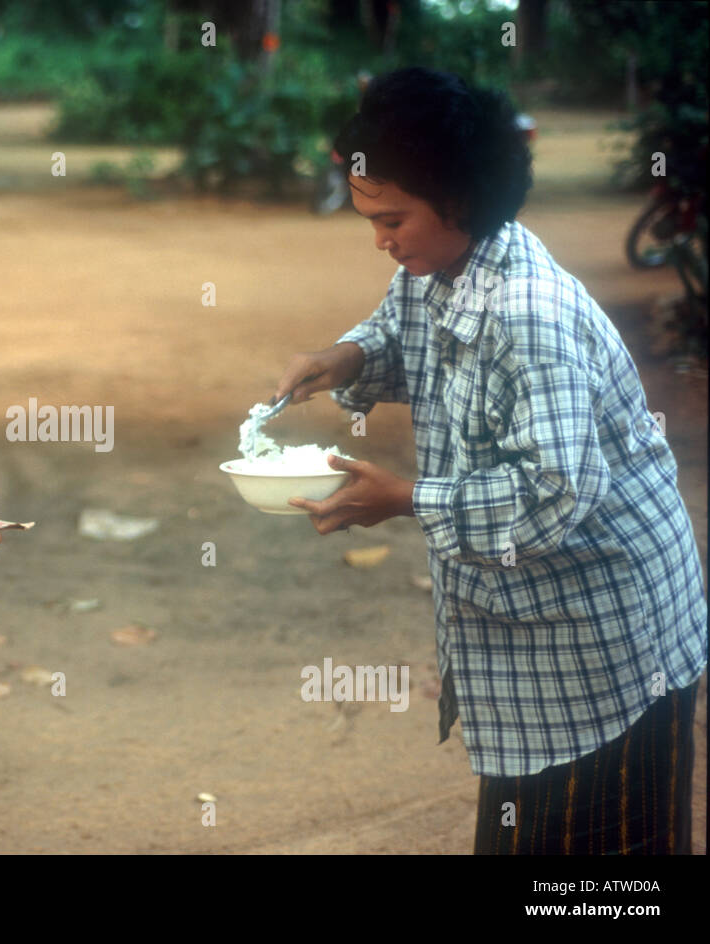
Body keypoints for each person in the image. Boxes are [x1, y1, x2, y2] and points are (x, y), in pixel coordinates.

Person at [271, 68, 706, 854]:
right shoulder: (445, 265)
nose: (381, 239)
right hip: (533, 630)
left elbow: (556, 491)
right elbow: (404, 330)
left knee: (597, 856)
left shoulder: (530, 315)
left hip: (602, 633)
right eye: (371, 219)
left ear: (461, 203)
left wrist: (405, 498)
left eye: (393, 219)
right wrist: (341, 358)